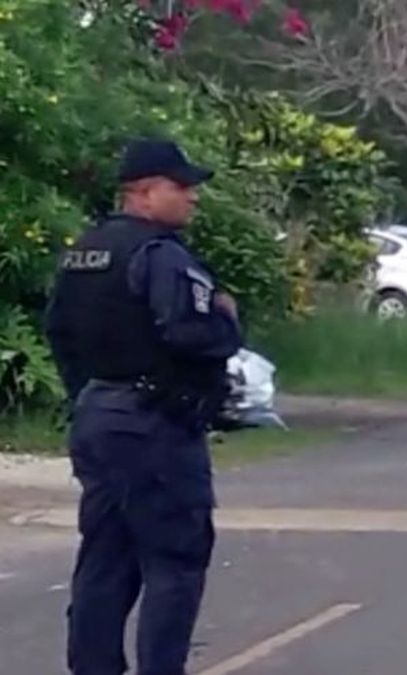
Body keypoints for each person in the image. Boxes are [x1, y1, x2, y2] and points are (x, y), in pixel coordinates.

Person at [44, 138, 243, 675]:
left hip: (98, 415)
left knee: (106, 556)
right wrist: (226, 318)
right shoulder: (160, 255)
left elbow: (58, 331)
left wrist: (89, 395)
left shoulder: (84, 251)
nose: (192, 197)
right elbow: (190, 331)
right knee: (175, 560)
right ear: (145, 192)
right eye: (182, 187)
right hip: (154, 423)